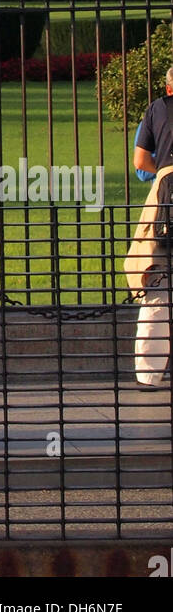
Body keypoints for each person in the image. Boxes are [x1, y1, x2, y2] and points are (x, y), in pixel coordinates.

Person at [132, 70, 173, 387]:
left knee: (158, 282)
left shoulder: (157, 108)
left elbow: (140, 159)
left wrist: (162, 170)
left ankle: (148, 372)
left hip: (166, 191)